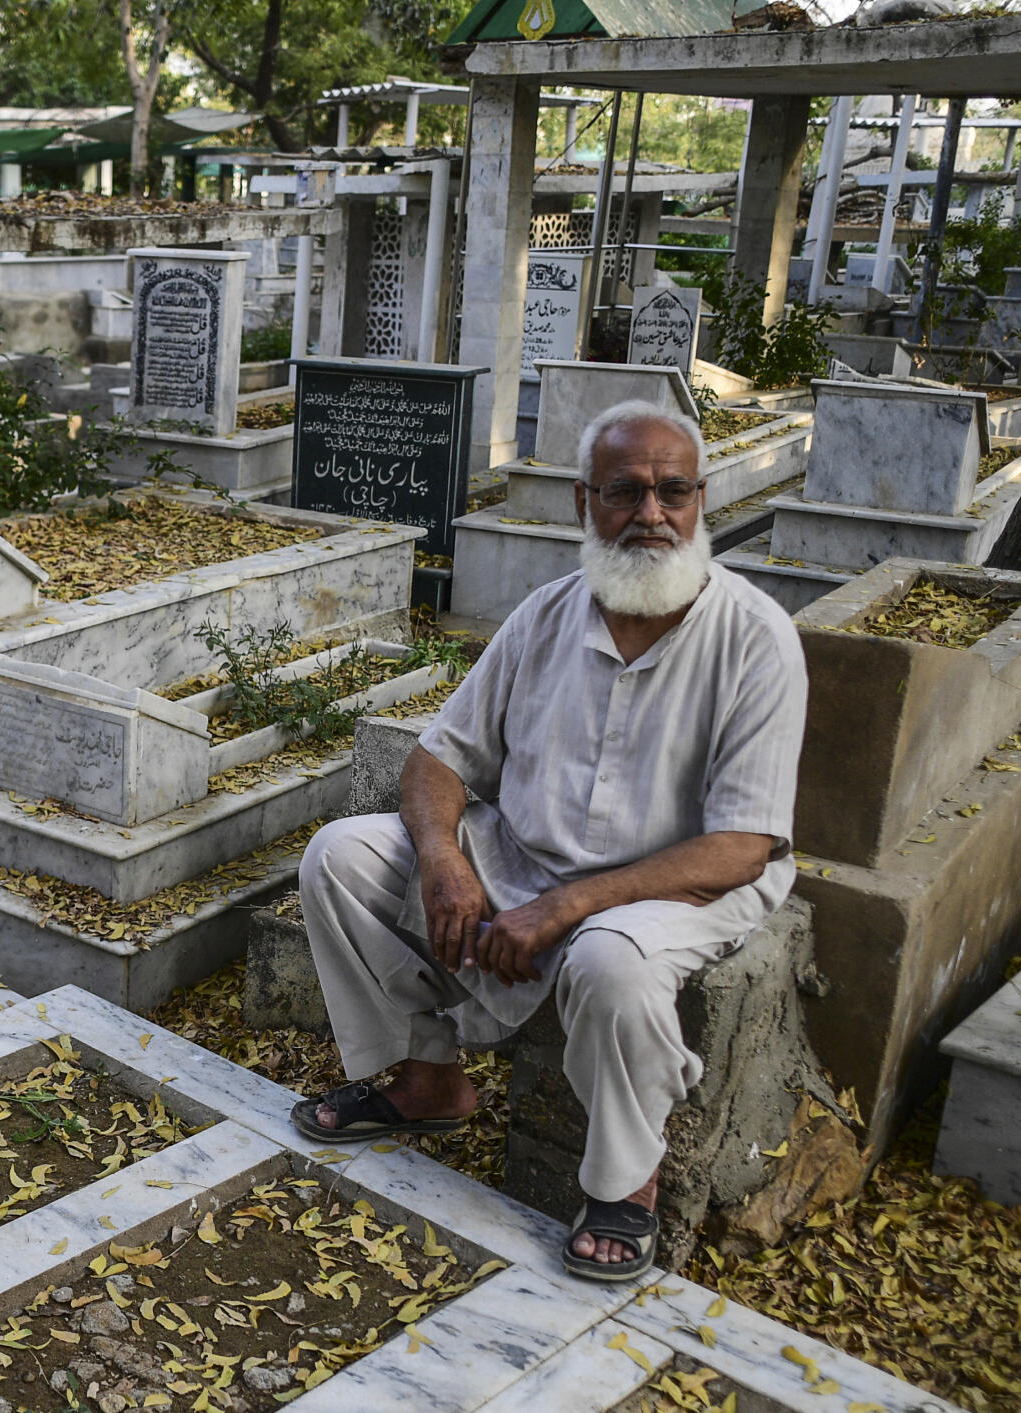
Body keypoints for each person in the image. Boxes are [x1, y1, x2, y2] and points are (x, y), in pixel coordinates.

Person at [294, 399, 807, 1283]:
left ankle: (624, 1183)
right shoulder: (547, 614)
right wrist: (446, 857)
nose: (651, 515)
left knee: (610, 963)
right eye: (626, 492)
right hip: (523, 853)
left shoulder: (756, 640)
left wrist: (564, 906)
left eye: (673, 491)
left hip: (671, 885)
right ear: (584, 504)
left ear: (700, 500)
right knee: (339, 857)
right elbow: (436, 761)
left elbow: (740, 848)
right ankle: (424, 1080)